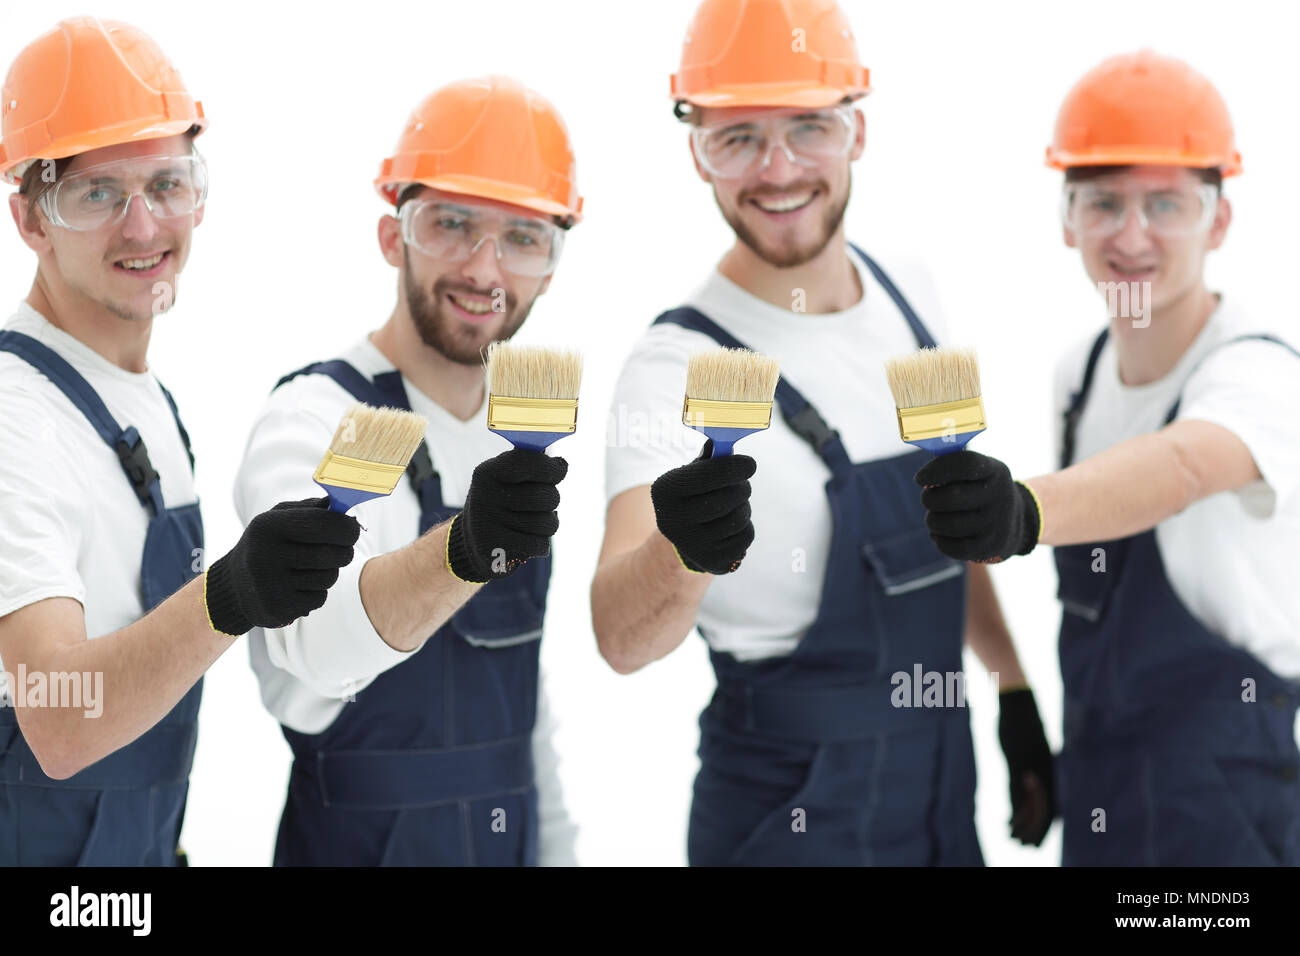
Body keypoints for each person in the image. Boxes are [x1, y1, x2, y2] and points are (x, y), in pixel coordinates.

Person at [590, 0, 1053, 865]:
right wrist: (679, 551)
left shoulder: (908, 293)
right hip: (782, 811)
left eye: (809, 126)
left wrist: (1013, 683)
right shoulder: (671, 367)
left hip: (939, 789)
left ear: (858, 131)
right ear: (695, 152)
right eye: (737, 138)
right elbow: (618, 638)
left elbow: (955, 525)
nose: (778, 169)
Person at [915, 49, 1300, 865]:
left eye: (1167, 203)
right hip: (1103, 791)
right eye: (1103, 202)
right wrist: (1021, 705)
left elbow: (1184, 468)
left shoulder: (1259, 373)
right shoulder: (1079, 376)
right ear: (1067, 218)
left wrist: (1023, 511)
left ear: (1219, 220)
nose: (1132, 235)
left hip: (1228, 812)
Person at [0, 17, 359, 866]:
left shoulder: (146, 400)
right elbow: (55, 713)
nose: (143, 227)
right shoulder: (15, 422)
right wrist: (232, 594)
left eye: (168, 183)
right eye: (96, 194)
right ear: (30, 219)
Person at [234, 76, 580, 866]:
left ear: (552, 266)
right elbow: (314, 646)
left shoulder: (520, 435)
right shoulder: (314, 419)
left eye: (524, 237)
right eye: (451, 224)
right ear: (394, 236)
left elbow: (525, 716)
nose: (485, 269)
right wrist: (463, 548)